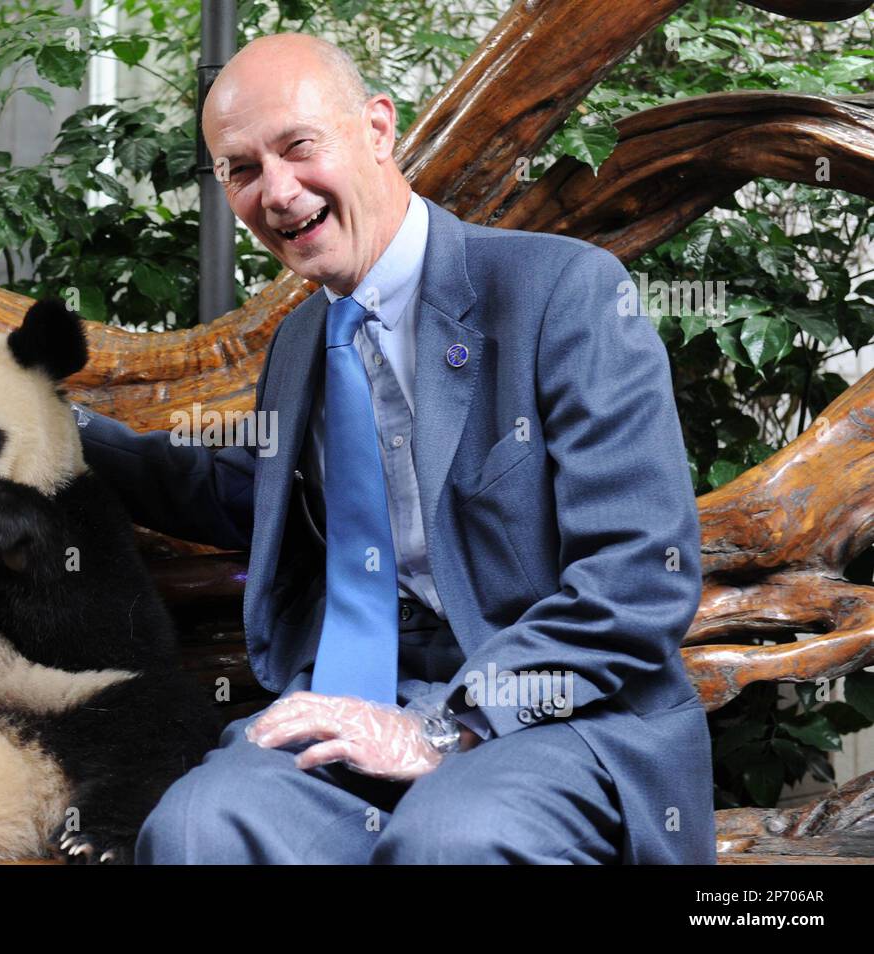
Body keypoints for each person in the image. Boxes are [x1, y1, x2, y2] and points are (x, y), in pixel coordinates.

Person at [72, 32, 716, 864]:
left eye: (299, 146)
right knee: (201, 825)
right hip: (357, 699)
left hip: (555, 713)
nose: (276, 191)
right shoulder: (305, 339)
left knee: (453, 839)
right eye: (240, 169)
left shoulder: (563, 291)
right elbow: (251, 489)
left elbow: (636, 577)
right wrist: (50, 429)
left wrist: (445, 727)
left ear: (379, 129)